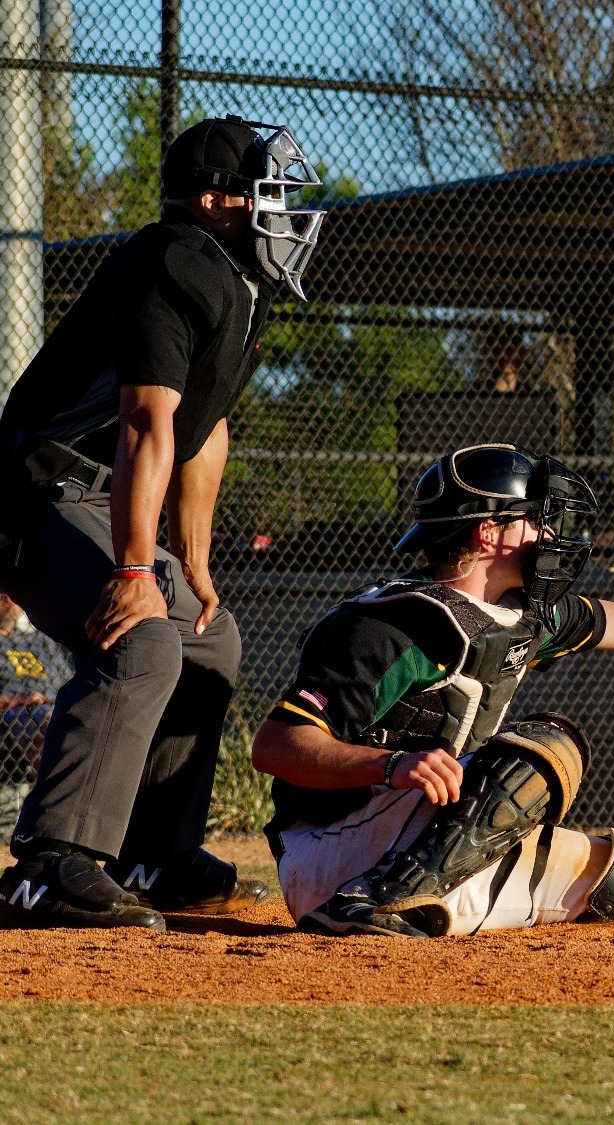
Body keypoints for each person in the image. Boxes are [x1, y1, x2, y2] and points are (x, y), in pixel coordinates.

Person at [249, 444, 614, 937]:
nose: (551, 536)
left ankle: (411, 903)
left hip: (418, 839)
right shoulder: (393, 626)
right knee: (548, 747)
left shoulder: (520, 613)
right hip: (331, 847)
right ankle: (379, 900)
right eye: (535, 520)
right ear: (488, 532)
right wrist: (392, 763)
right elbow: (274, 746)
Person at [0, 116, 324, 930]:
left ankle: (155, 853)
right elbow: (146, 421)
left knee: (211, 640)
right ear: (216, 200)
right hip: (34, 491)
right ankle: (48, 863)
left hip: (101, 494)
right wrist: (138, 573)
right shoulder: (177, 260)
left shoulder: (236, 279)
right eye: (265, 191)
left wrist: (192, 562)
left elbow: (202, 431)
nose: (280, 210)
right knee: (139, 638)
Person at [0, 593, 71, 839]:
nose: (9, 602)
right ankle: (52, 809)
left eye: (12, 596)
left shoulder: (39, 641)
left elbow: (66, 684)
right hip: (13, 715)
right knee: (48, 721)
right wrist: (21, 700)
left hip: (50, 706)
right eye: (1, 596)